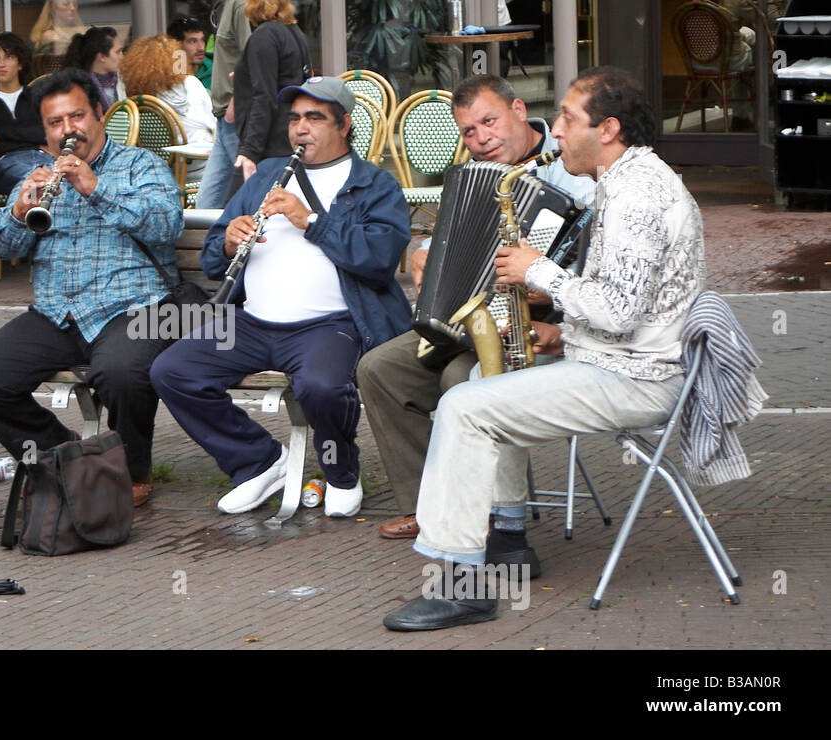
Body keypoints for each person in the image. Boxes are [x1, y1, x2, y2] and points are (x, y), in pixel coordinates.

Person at [382, 66, 704, 631]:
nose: (554, 131)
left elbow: (618, 311)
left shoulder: (637, 196)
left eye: (566, 119)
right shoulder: (627, 180)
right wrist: (552, 328)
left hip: (636, 376)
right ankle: (506, 539)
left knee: (464, 406)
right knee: (487, 386)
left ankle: (464, 582)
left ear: (607, 129)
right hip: (617, 361)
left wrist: (541, 272)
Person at [152, 77, 411, 518]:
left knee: (321, 387)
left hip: (329, 324)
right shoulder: (267, 175)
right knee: (172, 371)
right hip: (254, 322)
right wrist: (229, 242)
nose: (301, 129)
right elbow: (215, 258)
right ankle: (257, 461)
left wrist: (309, 219)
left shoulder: (374, 185)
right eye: (294, 119)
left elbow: (380, 260)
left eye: (315, 118)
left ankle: (340, 469)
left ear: (344, 124)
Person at [358, 74, 594, 543]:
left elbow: (595, 269)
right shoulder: (470, 170)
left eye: (489, 121)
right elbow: (449, 232)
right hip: (468, 317)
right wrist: (423, 252)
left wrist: (550, 287)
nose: (481, 138)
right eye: (468, 130)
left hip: (538, 322)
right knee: (377, 368)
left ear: (519, 111)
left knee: (457, 380)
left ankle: (478, 512)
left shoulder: (573, 169)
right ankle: (429, 504)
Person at [0, 68, 183, 508]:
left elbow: (166, 225)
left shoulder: (140, 165)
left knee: (121, 373)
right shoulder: (40, 175)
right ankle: (69, 456)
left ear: (100, 113)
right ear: (45, 131)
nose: (68, 130)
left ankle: (133, 470)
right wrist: (21, 211)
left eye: (76, 116)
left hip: (132, 306)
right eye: (55, 123)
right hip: (56, 314)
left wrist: (94, 187)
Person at [228, 0, 310, 199]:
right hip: (288, 140)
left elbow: (264, 96)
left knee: (237, 215)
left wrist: (249, 151)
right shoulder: (294, 33)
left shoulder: (264, 36)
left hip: (267, 146)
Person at [120, 34, 216, 179]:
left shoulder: (138, 99)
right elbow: (213, 126)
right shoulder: (190, 84)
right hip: (200, 169)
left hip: (160, 171)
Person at [194, 0, 251, 210]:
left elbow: (254, 59)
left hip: (237, 117)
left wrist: (233, 108)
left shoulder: (240, 6)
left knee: (251, 203)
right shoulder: (224, 6)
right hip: (226, 118)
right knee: (206, 206)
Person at [0, 32, 48, 196]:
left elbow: (46, 134)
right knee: (32, 181)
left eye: (8, 57)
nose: (1, 64)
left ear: (20, 64)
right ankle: (30, 220)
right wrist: (32, 138)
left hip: (42, 159)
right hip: (5, 163)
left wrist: (2, 134)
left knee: (58, 179)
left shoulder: (37, 97)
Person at [66, 27, 124, 111]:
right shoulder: (81, 88)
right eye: (118, 52)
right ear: (102, 56)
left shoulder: (124, 80)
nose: (122, 57)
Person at [167, 14, 212, 89]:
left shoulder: (217, 72)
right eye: (193, 41)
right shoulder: (163, 74)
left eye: (202, 40)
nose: (201, 48)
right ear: (176, 45)